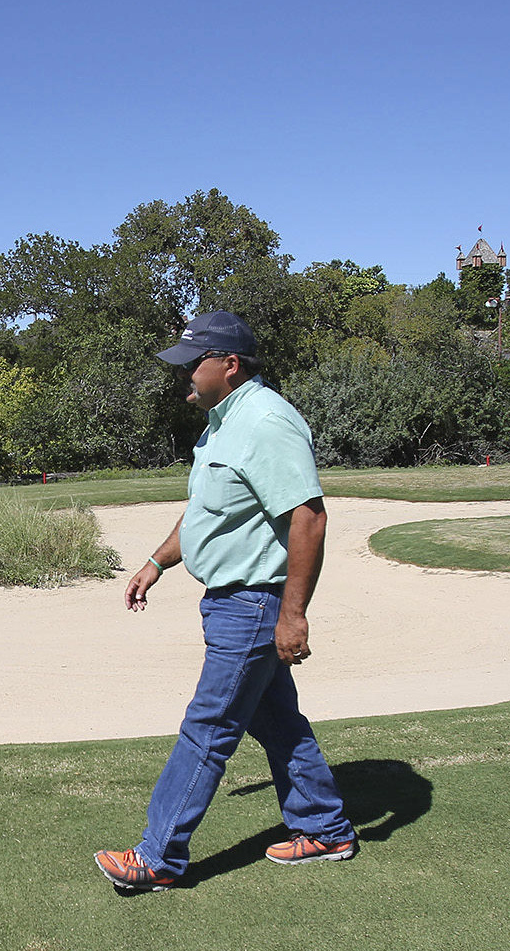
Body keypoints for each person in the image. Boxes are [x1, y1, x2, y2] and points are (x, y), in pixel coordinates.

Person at [95, 311, 355, 891]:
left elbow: (308, 518)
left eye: (193, 362)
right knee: (278, 721)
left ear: (229, 365)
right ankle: (326, 829)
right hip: (231, 601)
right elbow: (208, 513)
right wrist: (157, 562)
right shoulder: (221, 424)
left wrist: (293, 614)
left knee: (207, 729)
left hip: (254, 605)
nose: (183, 373)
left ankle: (158, 857)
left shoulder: (266, 421)